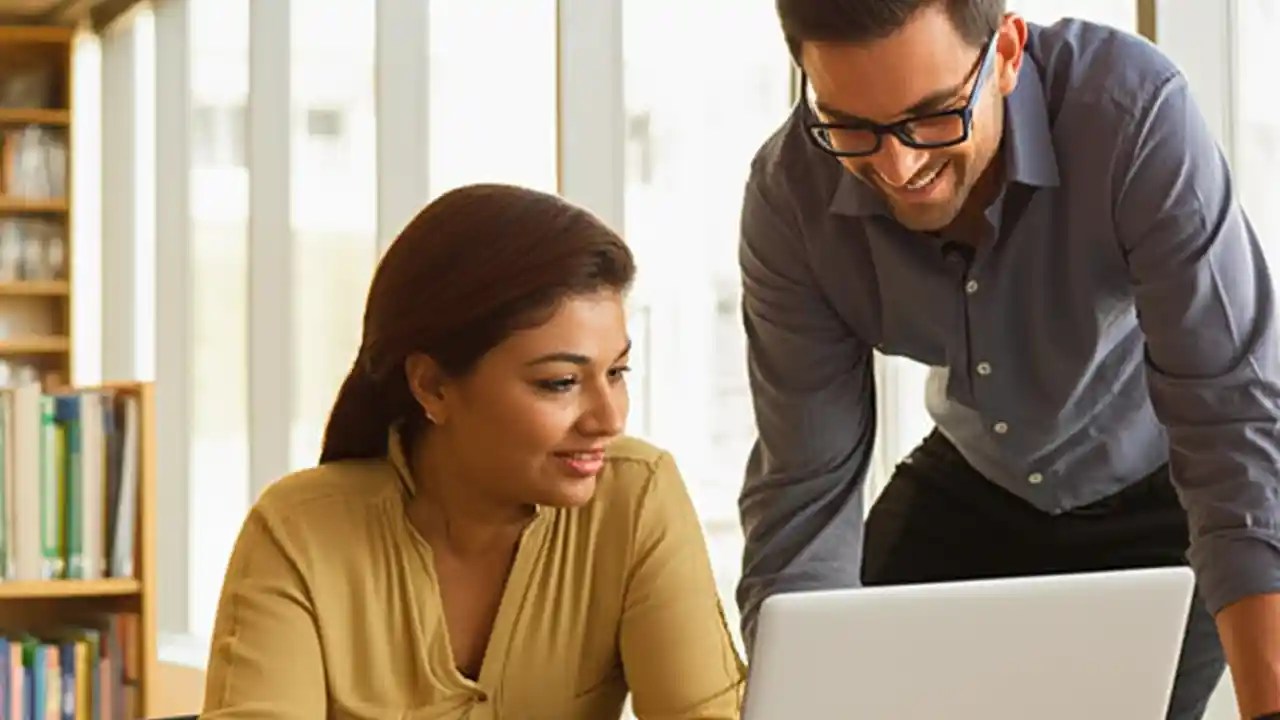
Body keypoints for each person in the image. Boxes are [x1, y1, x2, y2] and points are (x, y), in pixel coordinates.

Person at [736, 2, 1280, 719]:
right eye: (852, 127)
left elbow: (1230, 420)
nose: (897, 166)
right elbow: (803, 492)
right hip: (975, 477)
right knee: (850, 683)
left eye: (933, 116)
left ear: (1008, 53)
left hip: (1168, 496)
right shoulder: (790, 196)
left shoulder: (1131, 113)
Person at [202, 183, 745, 719]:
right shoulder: (300, 530)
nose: (610, 419)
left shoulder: (635, 497)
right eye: (560, 382)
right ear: (433, 386)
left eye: (617, 372)